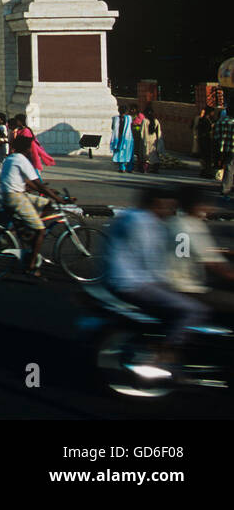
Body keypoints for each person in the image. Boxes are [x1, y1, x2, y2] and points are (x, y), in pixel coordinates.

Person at [103, 186, 206, 367]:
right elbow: (151, 259)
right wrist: (172, 283)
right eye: (167, 206)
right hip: (133, 283)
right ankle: (164, 352)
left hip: (124, 278)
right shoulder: (144, 222)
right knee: (194, 310)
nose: (169, 210)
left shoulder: (130, 216)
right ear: (156, 203)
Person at [169, 186, 234, 316]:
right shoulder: (192, 227)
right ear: (196, 206)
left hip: (175, 282)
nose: (210, 208)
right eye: (206, 204)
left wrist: (226, 252)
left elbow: (197, 250)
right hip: (187, 287)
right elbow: (215, 265)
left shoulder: (175, 223)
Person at [0, 134, 58, 275]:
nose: (32, 151)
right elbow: (38, 184)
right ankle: (31, 265)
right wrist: (58, 198)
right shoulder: (22, 160)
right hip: (16, 197)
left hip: (13, 194)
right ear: (26, 149)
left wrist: (50, 193)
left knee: (47, 203)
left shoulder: (11, 158)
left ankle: (29, 229)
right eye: (30, 148)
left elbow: (29, 183)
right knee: (41, 230)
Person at [214, 101, 234, 198]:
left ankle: (225, 187)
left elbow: (216, 137)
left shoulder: (220, 122)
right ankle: (226, 189)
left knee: (228, 168)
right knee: (230, 168)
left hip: (224, 149)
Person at [110, 104, 136, 173]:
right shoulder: (129, 118)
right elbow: (131, 127)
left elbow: (112, 128)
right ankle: (130, 168)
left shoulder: (115, 118)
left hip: (118, 138)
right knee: (129, 153)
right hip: (128, 138)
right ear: (127, 111)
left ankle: (122, 168)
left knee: (120, 153)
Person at [141, 105, 164, 173]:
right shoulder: (156, 121)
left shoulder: (145, 121)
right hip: (154, 140)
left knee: (146, 156)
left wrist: (142, 140)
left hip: (146, 140)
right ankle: (155, 169)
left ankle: (145, 169)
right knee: (154, 155)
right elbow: (159, 132)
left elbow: (142, 132)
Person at [195, 106, 215, 179]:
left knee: (204, 157)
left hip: (202, 140)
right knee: (207, 157)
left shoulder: (203, 120)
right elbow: (206, 132)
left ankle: (204, 171)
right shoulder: (206, 121)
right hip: (206, 141)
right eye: (212, 112)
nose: (213, 114)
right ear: (209, 112)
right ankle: (207, 172)